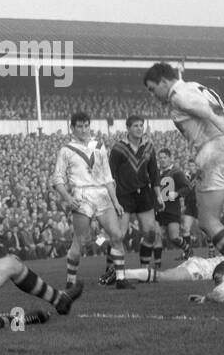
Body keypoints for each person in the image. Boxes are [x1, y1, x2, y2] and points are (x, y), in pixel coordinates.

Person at [143, 63, 224, 289]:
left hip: (216, 150)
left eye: (151, 88)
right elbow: (214, 109)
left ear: (164, 82)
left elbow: (208, 112)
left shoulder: (178, 95)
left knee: (207, 221)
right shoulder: (196, 86)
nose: (152, 94)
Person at [51, 112, 135, 290]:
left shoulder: (99, 146)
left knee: (117, 235)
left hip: (103, 195)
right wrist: (68, 198)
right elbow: (57, 180)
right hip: (82, 196)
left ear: (90, 126)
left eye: (85, 125)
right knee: (80, 241)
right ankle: (71, 281)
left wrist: (116, 201)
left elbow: (107, 177)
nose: (83, 129)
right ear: (72, 128)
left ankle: (120, 279)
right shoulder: (66, 150)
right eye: (79, 126)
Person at [110, 116, 164, 274]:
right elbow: (110, 176)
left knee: (150, 233)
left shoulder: (149, 147)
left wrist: (159, 196)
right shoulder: (118, 148)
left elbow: (154, 174)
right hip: (123, 194)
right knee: (119, 235)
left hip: (144, 194)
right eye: (135, 126)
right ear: (127, 128)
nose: (139, 128)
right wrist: (112, 199)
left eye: (141, 125)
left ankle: (144, 268)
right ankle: (112, 269)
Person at [153, 146, 196, 259]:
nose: (162, 160)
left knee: (174, 237)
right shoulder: (156, 173)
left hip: (172, 209)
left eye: (165, 157)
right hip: (159, 209)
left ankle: (188, 250)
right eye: (160, 158)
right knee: (157, 236)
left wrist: (177, 194)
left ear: (170, 158)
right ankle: (157, 266)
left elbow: (188, 187)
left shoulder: (176, 172)